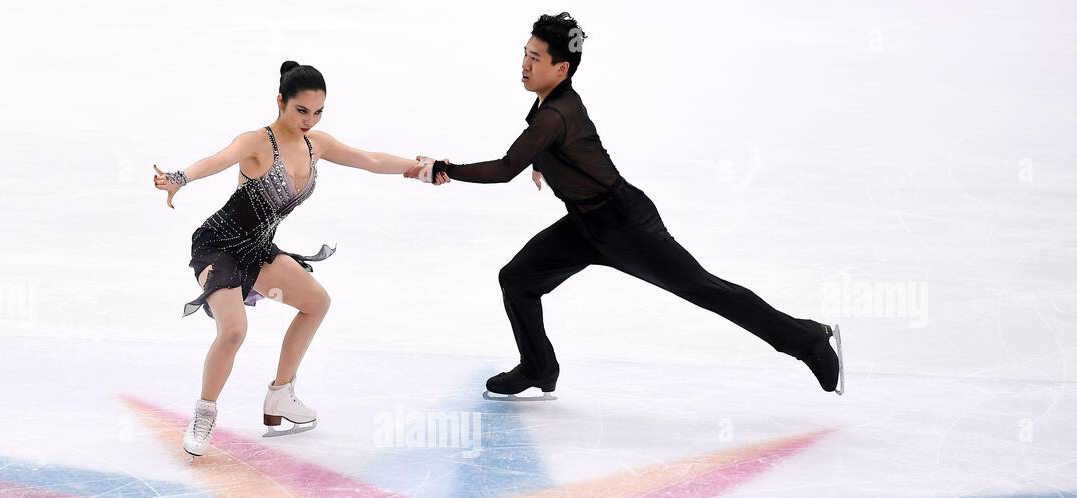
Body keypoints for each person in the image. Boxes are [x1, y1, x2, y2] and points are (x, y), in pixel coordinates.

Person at [405, 12, 844, 400]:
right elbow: (545, 151)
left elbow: (505, 169)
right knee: (517, 279)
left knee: (703, 289)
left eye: (535, 59)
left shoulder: (556, 115)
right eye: (525, 53)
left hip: (625, 226)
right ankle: (539, 367)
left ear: (561, 68)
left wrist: (445, 168)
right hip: (585, 225)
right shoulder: (549, 106)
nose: (524, 64)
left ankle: (807, 339)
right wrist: (545, 163)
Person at [153, 61, 438, 452]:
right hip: (218, 246)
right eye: (301, 110)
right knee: (234, 331)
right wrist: (178, 179)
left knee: (316, 302)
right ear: (280, 102)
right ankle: (205, 413)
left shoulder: (314, 144)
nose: (309, 120)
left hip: (257, 250)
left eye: (318, 112)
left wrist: (419, 167)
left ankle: (280, 394)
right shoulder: (257, 142)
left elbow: (368, 159)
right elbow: (217, 160)